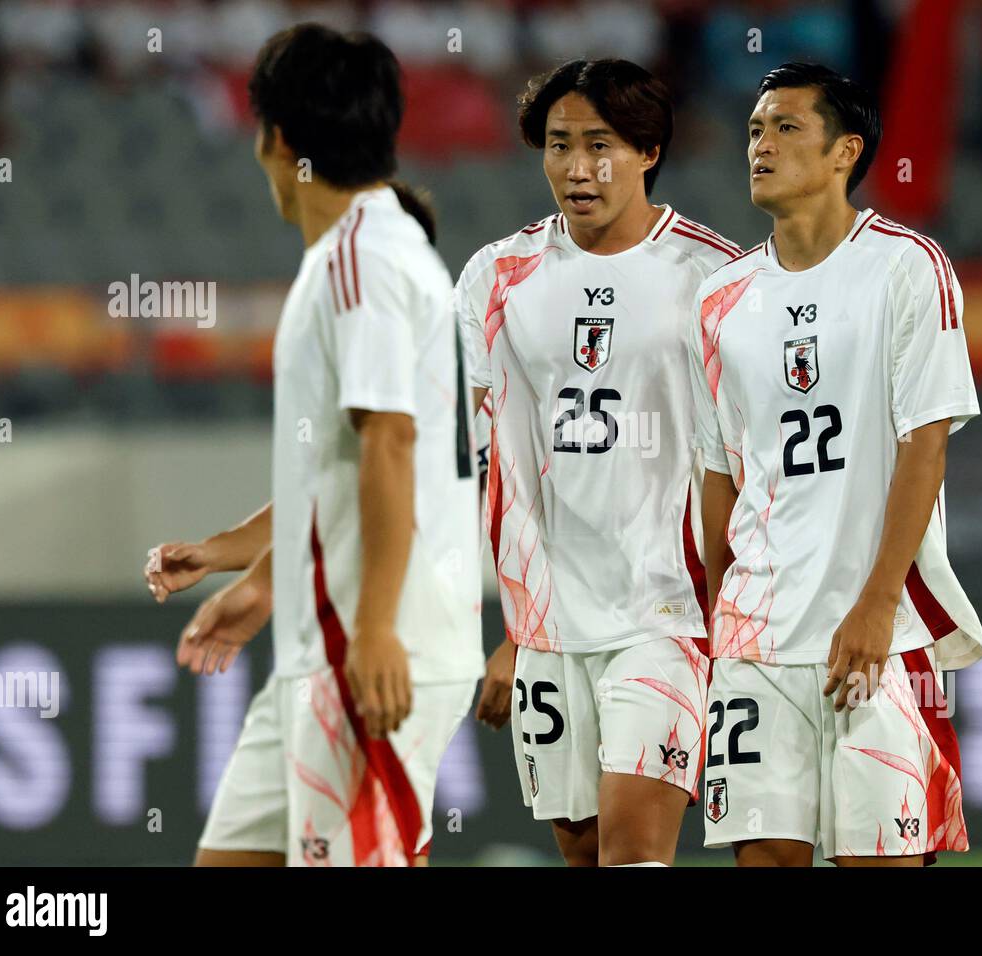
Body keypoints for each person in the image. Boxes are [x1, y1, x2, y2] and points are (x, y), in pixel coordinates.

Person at [143, 23, 482, 867]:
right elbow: (339, 461)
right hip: (320, 640)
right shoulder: (368, 252)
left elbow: (392, 445)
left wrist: (373, 632)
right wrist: (254, 573)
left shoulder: (360, 263)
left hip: (368, 641)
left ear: (278, 139)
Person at [691, 62, 982, 867]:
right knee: (764, 861)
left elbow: (925, 444)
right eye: (755, 129)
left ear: (843, 151)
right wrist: (721, 615)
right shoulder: (719, 300)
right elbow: (720, 473)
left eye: (787, 127)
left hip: (879, 633)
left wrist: (876, 600)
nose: (761, 144)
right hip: (757, 635)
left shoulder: (906, 268)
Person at [457, 59, 741, 866]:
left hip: (668, 616)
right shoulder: (496, 278)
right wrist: (517, 631)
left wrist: (738, 615)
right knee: (580, 853)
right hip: (552, 625)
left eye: (601, 144)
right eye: (558, 145)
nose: (577, 168)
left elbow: (744, 463)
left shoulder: (715, 277)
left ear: (649, 150)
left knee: (631, 850)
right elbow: (501, 461)